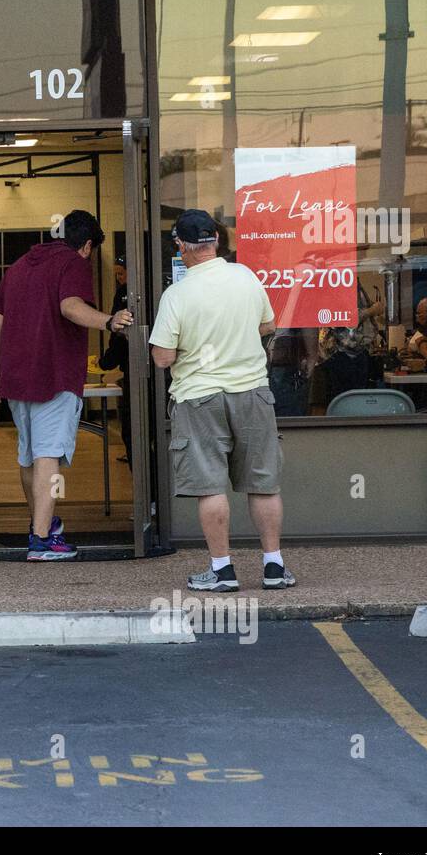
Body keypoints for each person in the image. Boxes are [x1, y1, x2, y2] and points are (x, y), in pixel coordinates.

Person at [148, 208, 295, 591]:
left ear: (181, 247)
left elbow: (162, 357)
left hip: (199, 397)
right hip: (252, 392)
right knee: (263, 483)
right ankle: (274, 566)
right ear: (215, 241)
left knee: (211, 486)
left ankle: (223, 570)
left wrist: (192, 350)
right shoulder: (245, 276)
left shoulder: (177, 294)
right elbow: (268, 325)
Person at [0, 211, 133, 561]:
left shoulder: (20, 265)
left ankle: (42, 523)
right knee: (47, 455)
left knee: (29, 455)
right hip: (53, 376)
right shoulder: (72, 263)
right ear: (88, 245)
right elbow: (71, 307)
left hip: (16, 379)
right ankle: (42, 540)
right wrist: (109, 321)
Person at [97, 255, 132, 465]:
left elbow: (119, 333)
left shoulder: (124, 294)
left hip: (134, 369)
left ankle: (145, 484)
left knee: (131, 427)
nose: (119, 278)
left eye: (121, 273)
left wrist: (104, 363)